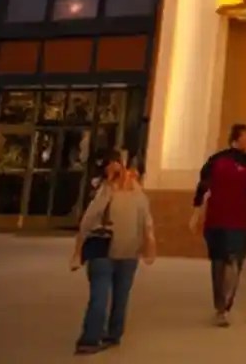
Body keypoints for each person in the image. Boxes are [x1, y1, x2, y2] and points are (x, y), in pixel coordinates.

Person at [70, 150, 156, 355]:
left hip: (106, 250)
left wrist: (77, 251)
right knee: (118, 295)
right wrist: (149, 248)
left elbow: (88, 221)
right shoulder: (135, 194)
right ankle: (110, 334)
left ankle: (93, 338)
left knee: (102, 295)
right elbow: (147, 224)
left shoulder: (106, 192)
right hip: (122, 250)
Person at [192, 123, 246, 327]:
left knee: (234, 261)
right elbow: (203, 186)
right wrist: (196, 212)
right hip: (216, 219)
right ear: (237, 137)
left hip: (241, 219)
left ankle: (227, 303)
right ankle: (219, 307)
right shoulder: (217, 160)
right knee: (218, 262)